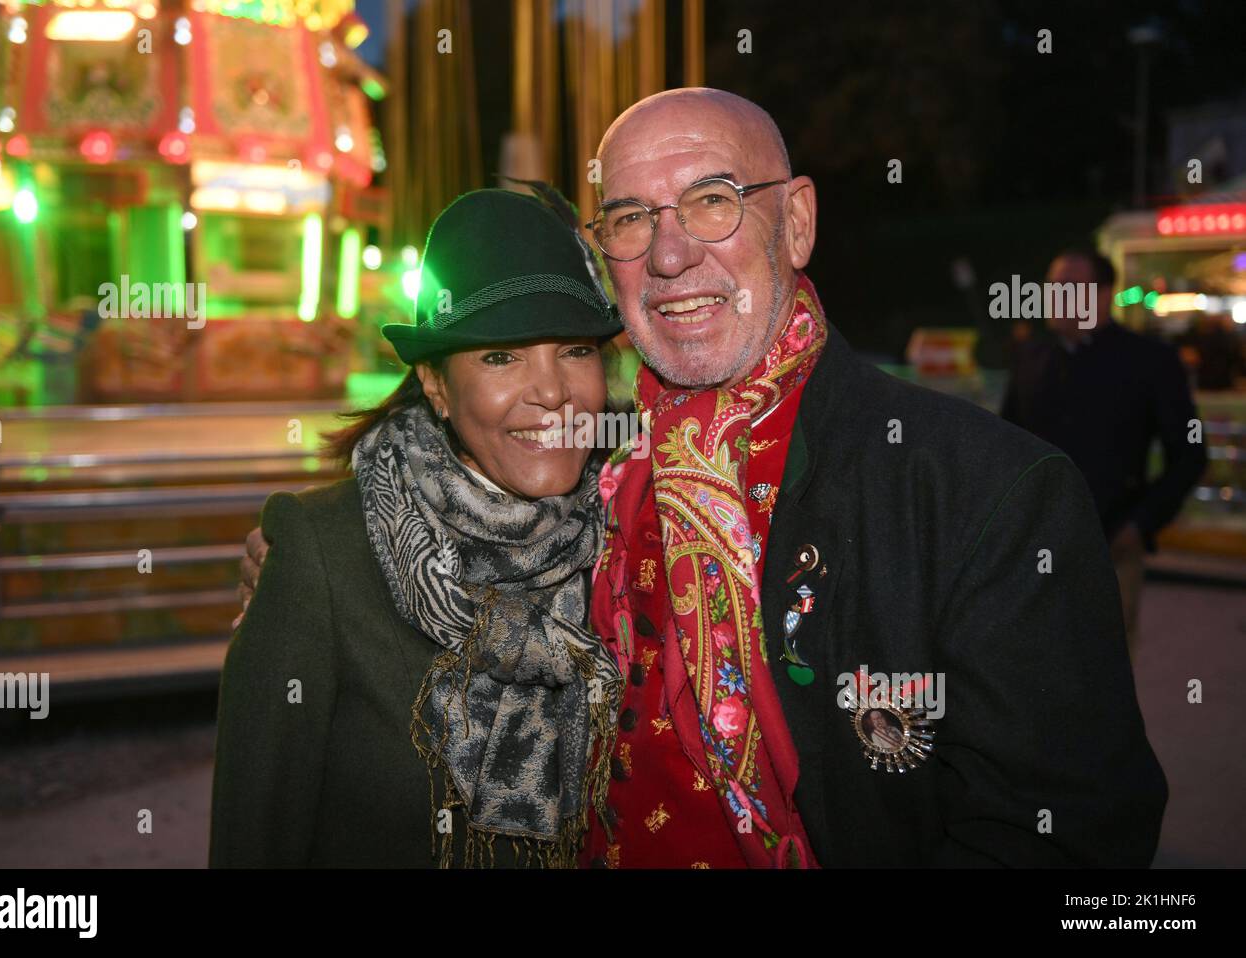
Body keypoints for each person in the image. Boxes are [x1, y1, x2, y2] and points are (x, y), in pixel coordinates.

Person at [242, 89, 1168, 868]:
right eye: (634, 217)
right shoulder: (591, 473)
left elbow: (1072, 839)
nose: (672, 252)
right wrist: (315, 557)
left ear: (796, 221)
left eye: (714, 199)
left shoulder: (983, 493)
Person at [210, 188, 625, 867]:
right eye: (502, 357)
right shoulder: (325, 555)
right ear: (434, 383)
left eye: (575, 350)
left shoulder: (635, 536)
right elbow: (253, 839)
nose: (552, 392)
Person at [1001, 249, 1207, 650]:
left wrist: (1139, 524)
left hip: (1112, 542)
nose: (1055, 297)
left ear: (1103, 295)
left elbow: (1190, 454)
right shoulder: (1032, 357)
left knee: (1104, 672)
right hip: (1032, 546)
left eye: (1069, 288)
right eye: (1052, 287)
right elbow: (1006, 444)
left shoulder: (1150, 361)